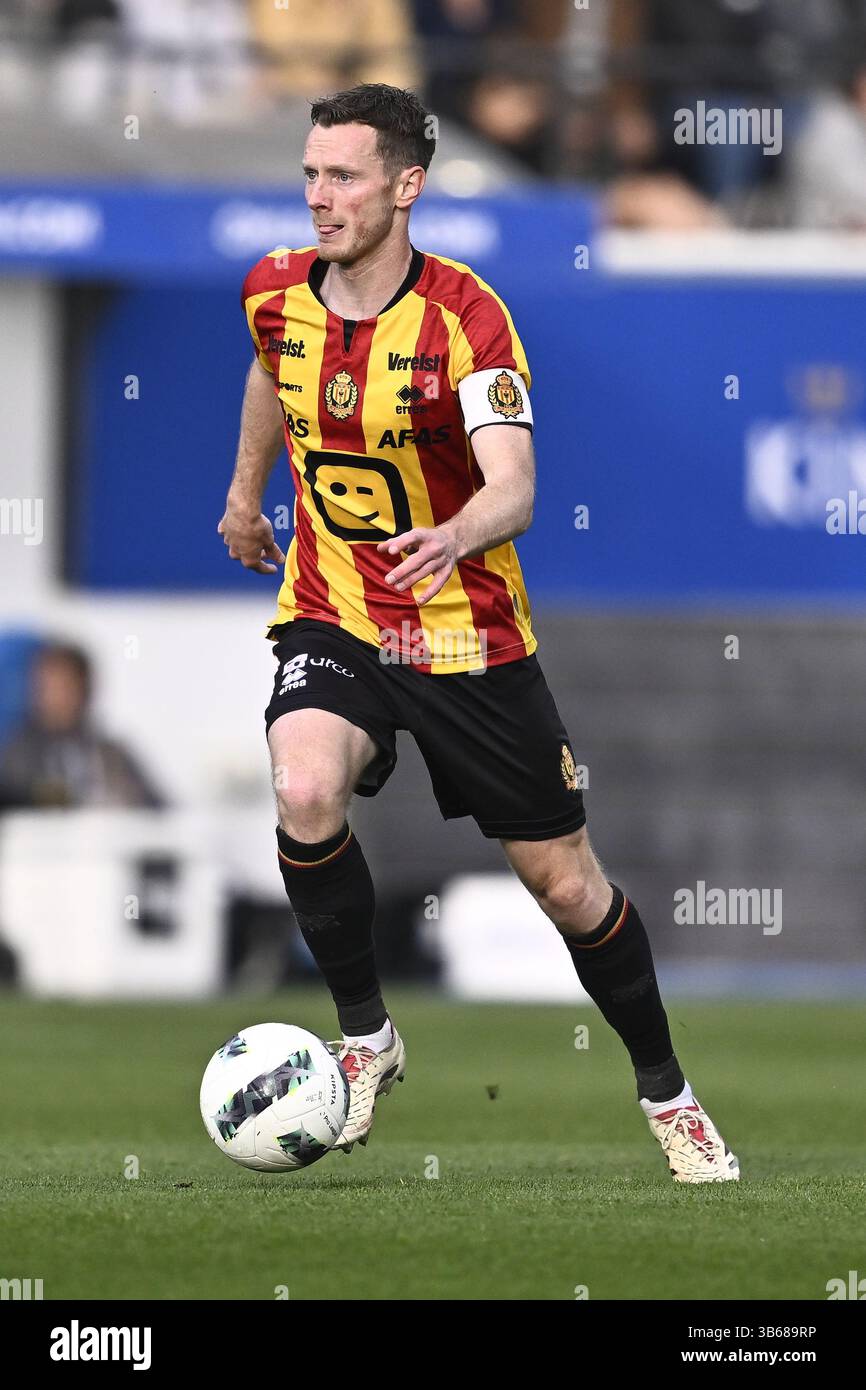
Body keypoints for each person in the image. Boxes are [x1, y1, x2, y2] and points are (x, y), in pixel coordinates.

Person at [218, 82, 738, 1182]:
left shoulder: (467, 317)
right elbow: (271, 373)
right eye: (310, 174)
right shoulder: (273, 291)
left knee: (563, 884)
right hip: (337, 608)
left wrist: (453, 534)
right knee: (303, 785)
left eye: (343, 176)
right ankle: (366, 1039)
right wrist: (241, 494)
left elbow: (516, 487)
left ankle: (666, 1090)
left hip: (464, 637)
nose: (319, 198)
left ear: (406, 186)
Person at [0, 641, 163, 810]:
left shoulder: (110, 753)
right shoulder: (17, 753)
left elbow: (156, 810)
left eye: (65, 686)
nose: (56, 697)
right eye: (48, 687)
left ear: (85, 688)